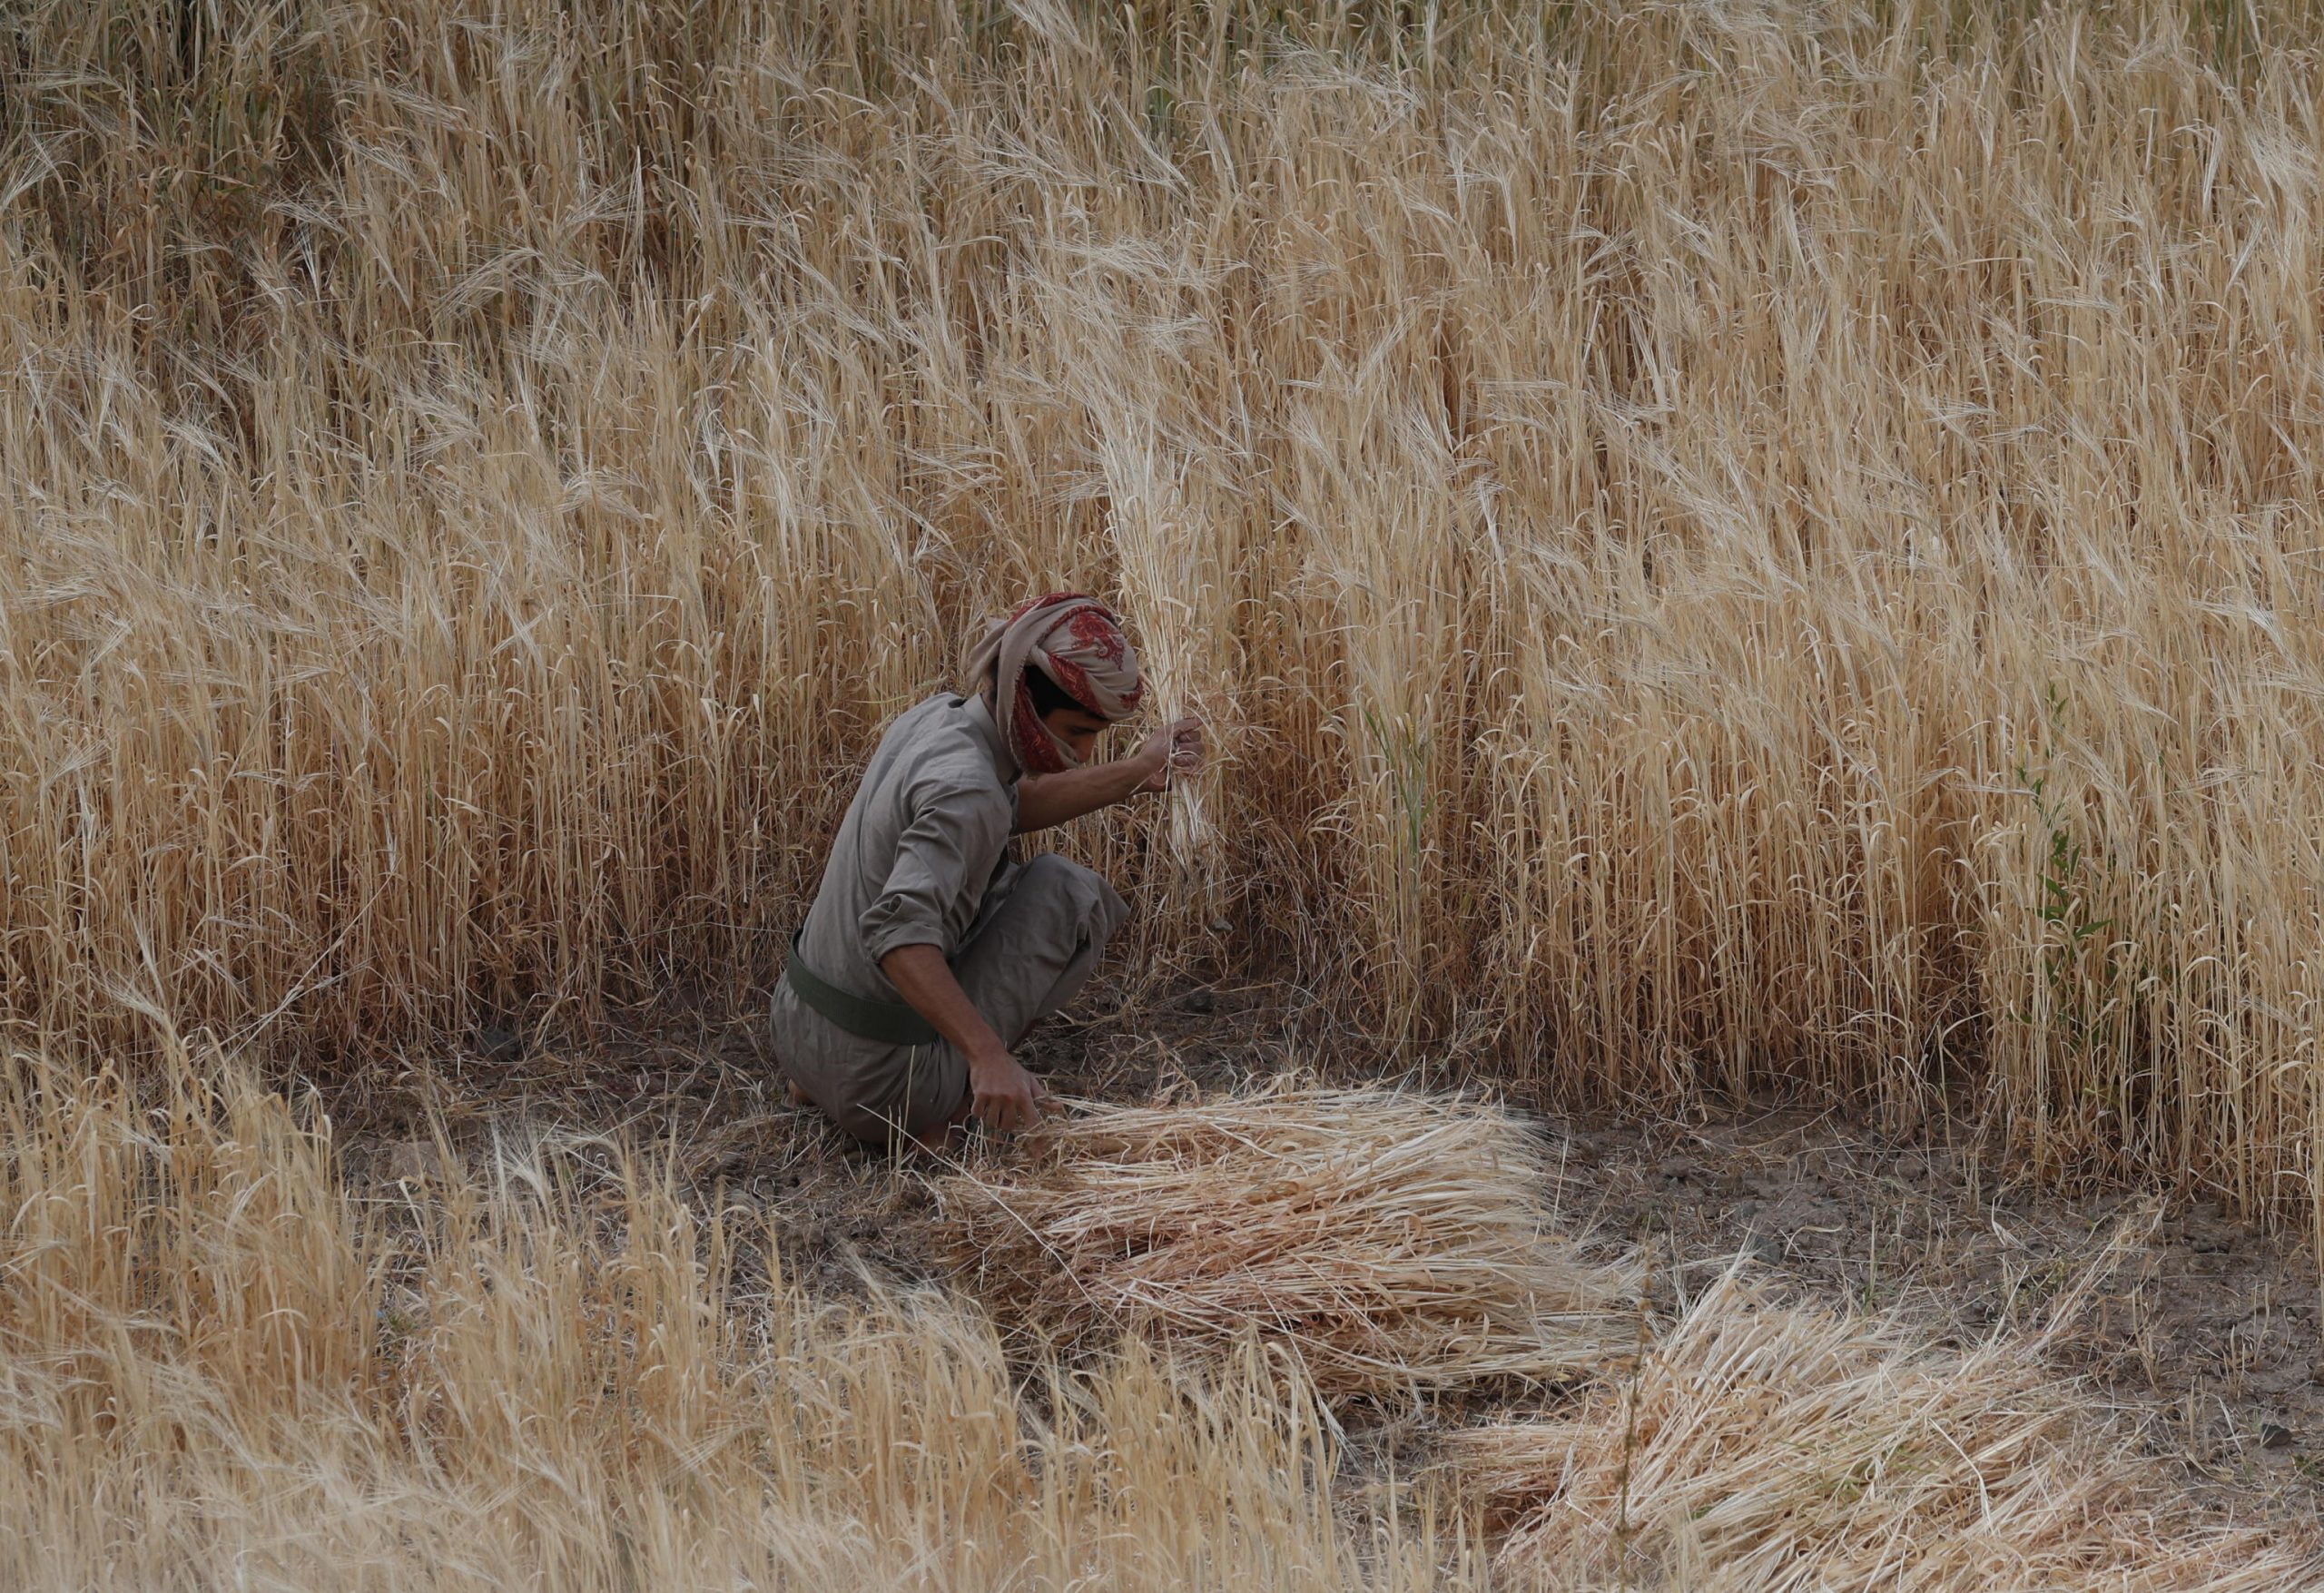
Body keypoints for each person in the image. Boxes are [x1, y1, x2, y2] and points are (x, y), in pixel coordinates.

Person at [771, 592, 1204, 1146]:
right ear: (1024, 703)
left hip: (795, 1030)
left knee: (996, 881)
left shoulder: (938, 720)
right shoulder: (967, 789)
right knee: (1072, 894)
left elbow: (1008, 806)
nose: (1086, 753)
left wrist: (1140, 771)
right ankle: (944, 1107)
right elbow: (898, 937)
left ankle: (824, 1081)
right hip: (882, 1087)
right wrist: (988, 1057)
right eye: (1077, 732)